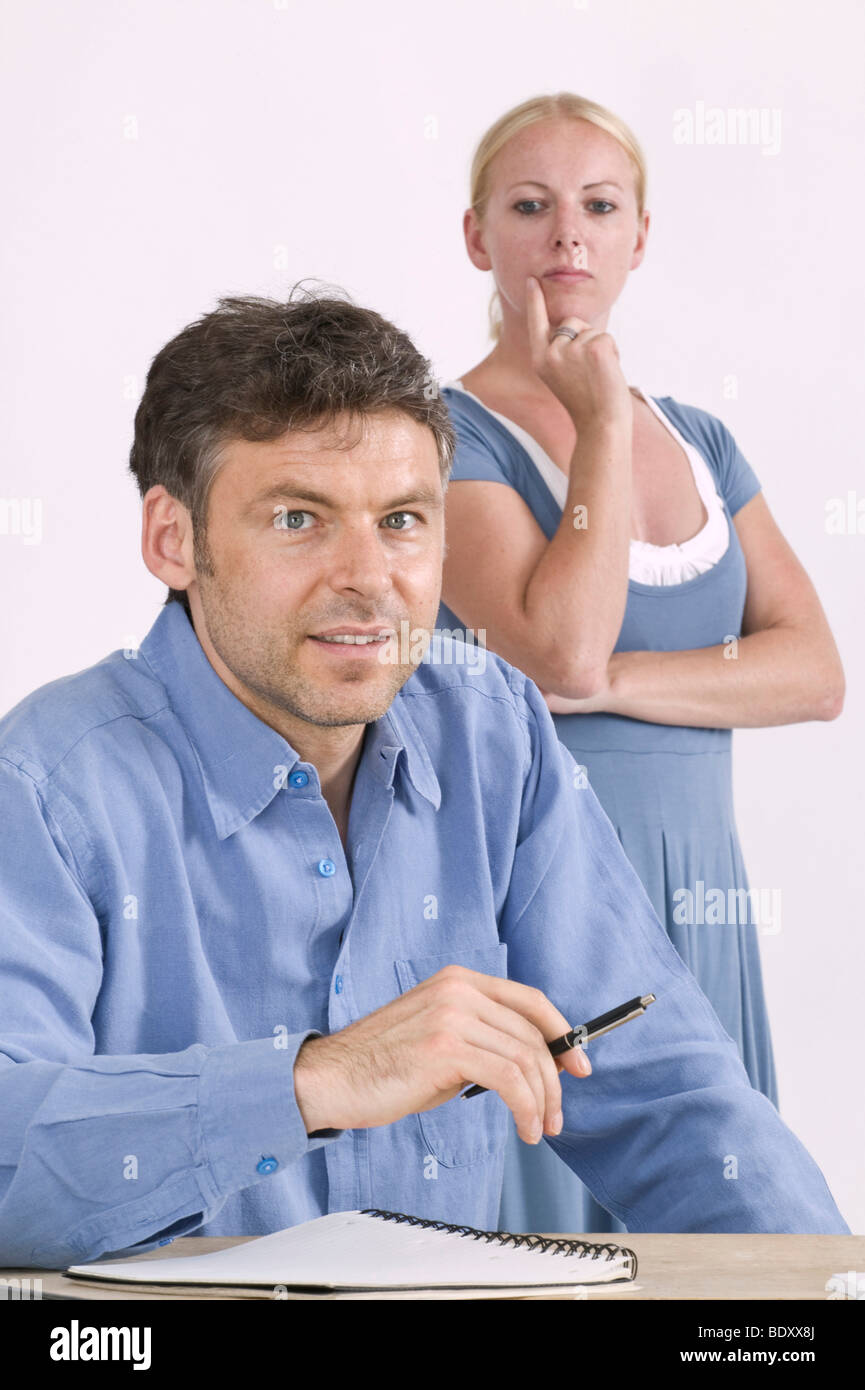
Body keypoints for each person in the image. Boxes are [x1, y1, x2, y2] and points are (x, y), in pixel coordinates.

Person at [0, 289, 847, 1271]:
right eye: (297, 517)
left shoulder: (494, 731)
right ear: (173, 540)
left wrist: (828, 1290)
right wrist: (314, 1081)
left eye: (401, 519)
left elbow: (668, 1096)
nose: (368, 576)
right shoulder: (46, 786)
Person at [435, 92, 845, 1236]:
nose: (567, 235)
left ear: (637, 238)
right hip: (542, 900)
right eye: (531, 206)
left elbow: (812, 673)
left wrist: (611, 685)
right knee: (555, 1236)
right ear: (479, 237)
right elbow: (558, 641)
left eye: (597, 206)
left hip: (701, 894)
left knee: (725, 1244)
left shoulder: (704, 440)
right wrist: (600, 426)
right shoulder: (442, 435)